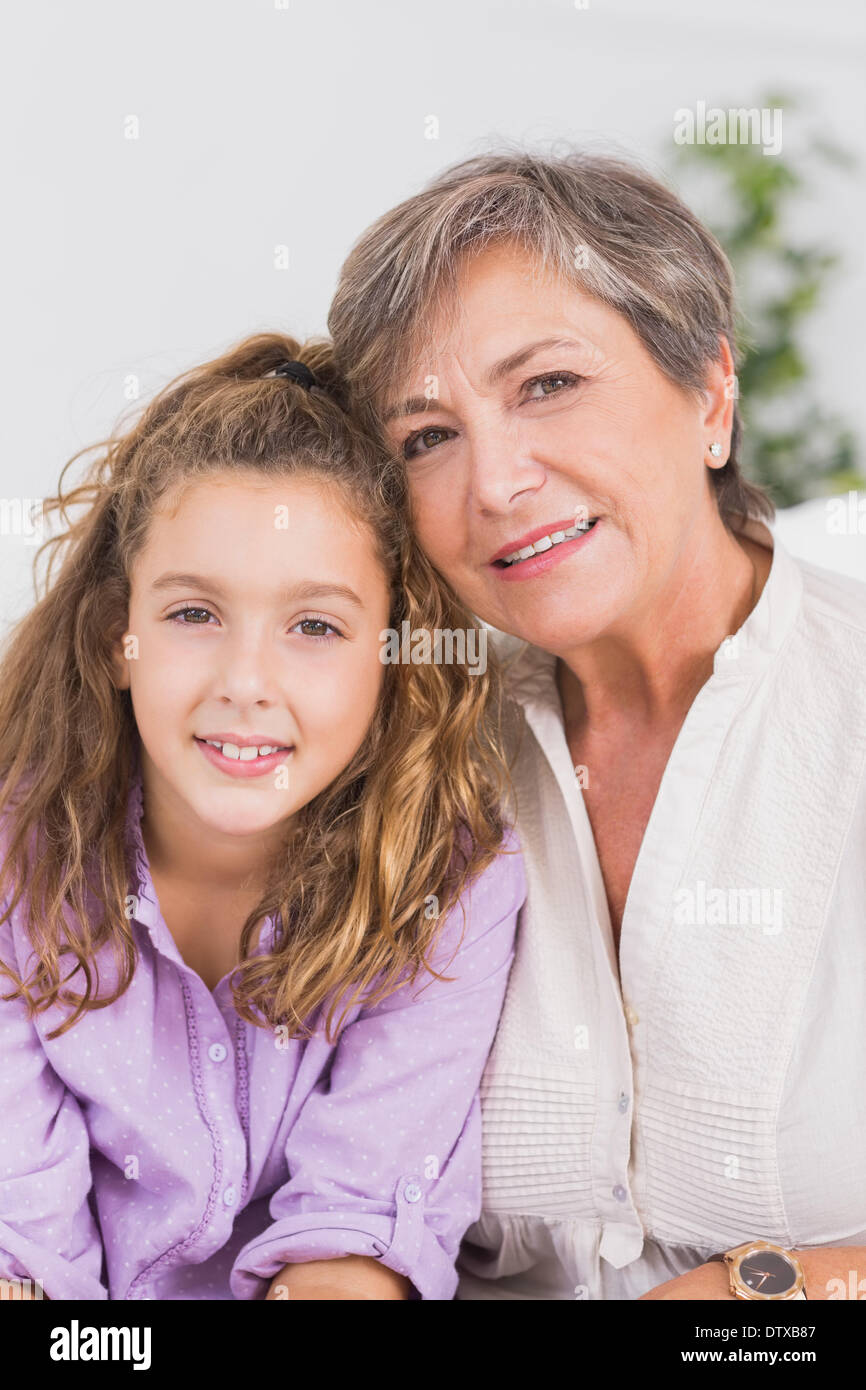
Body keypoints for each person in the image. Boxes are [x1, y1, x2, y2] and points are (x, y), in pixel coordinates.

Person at [327, 147, 866, 1300]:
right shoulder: (402, 745)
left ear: (708, 393)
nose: (495, 480)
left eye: (546, 385)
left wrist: (754, 1293)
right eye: (426, 436)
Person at [0, 333, 525, 1301]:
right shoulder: (17, 866)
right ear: (118, 633)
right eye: (194, 614)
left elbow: (357, 1236)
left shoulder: (447, 881)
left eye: (314, 627)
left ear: (391, 652)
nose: (246, 684)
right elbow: (17, 1251)